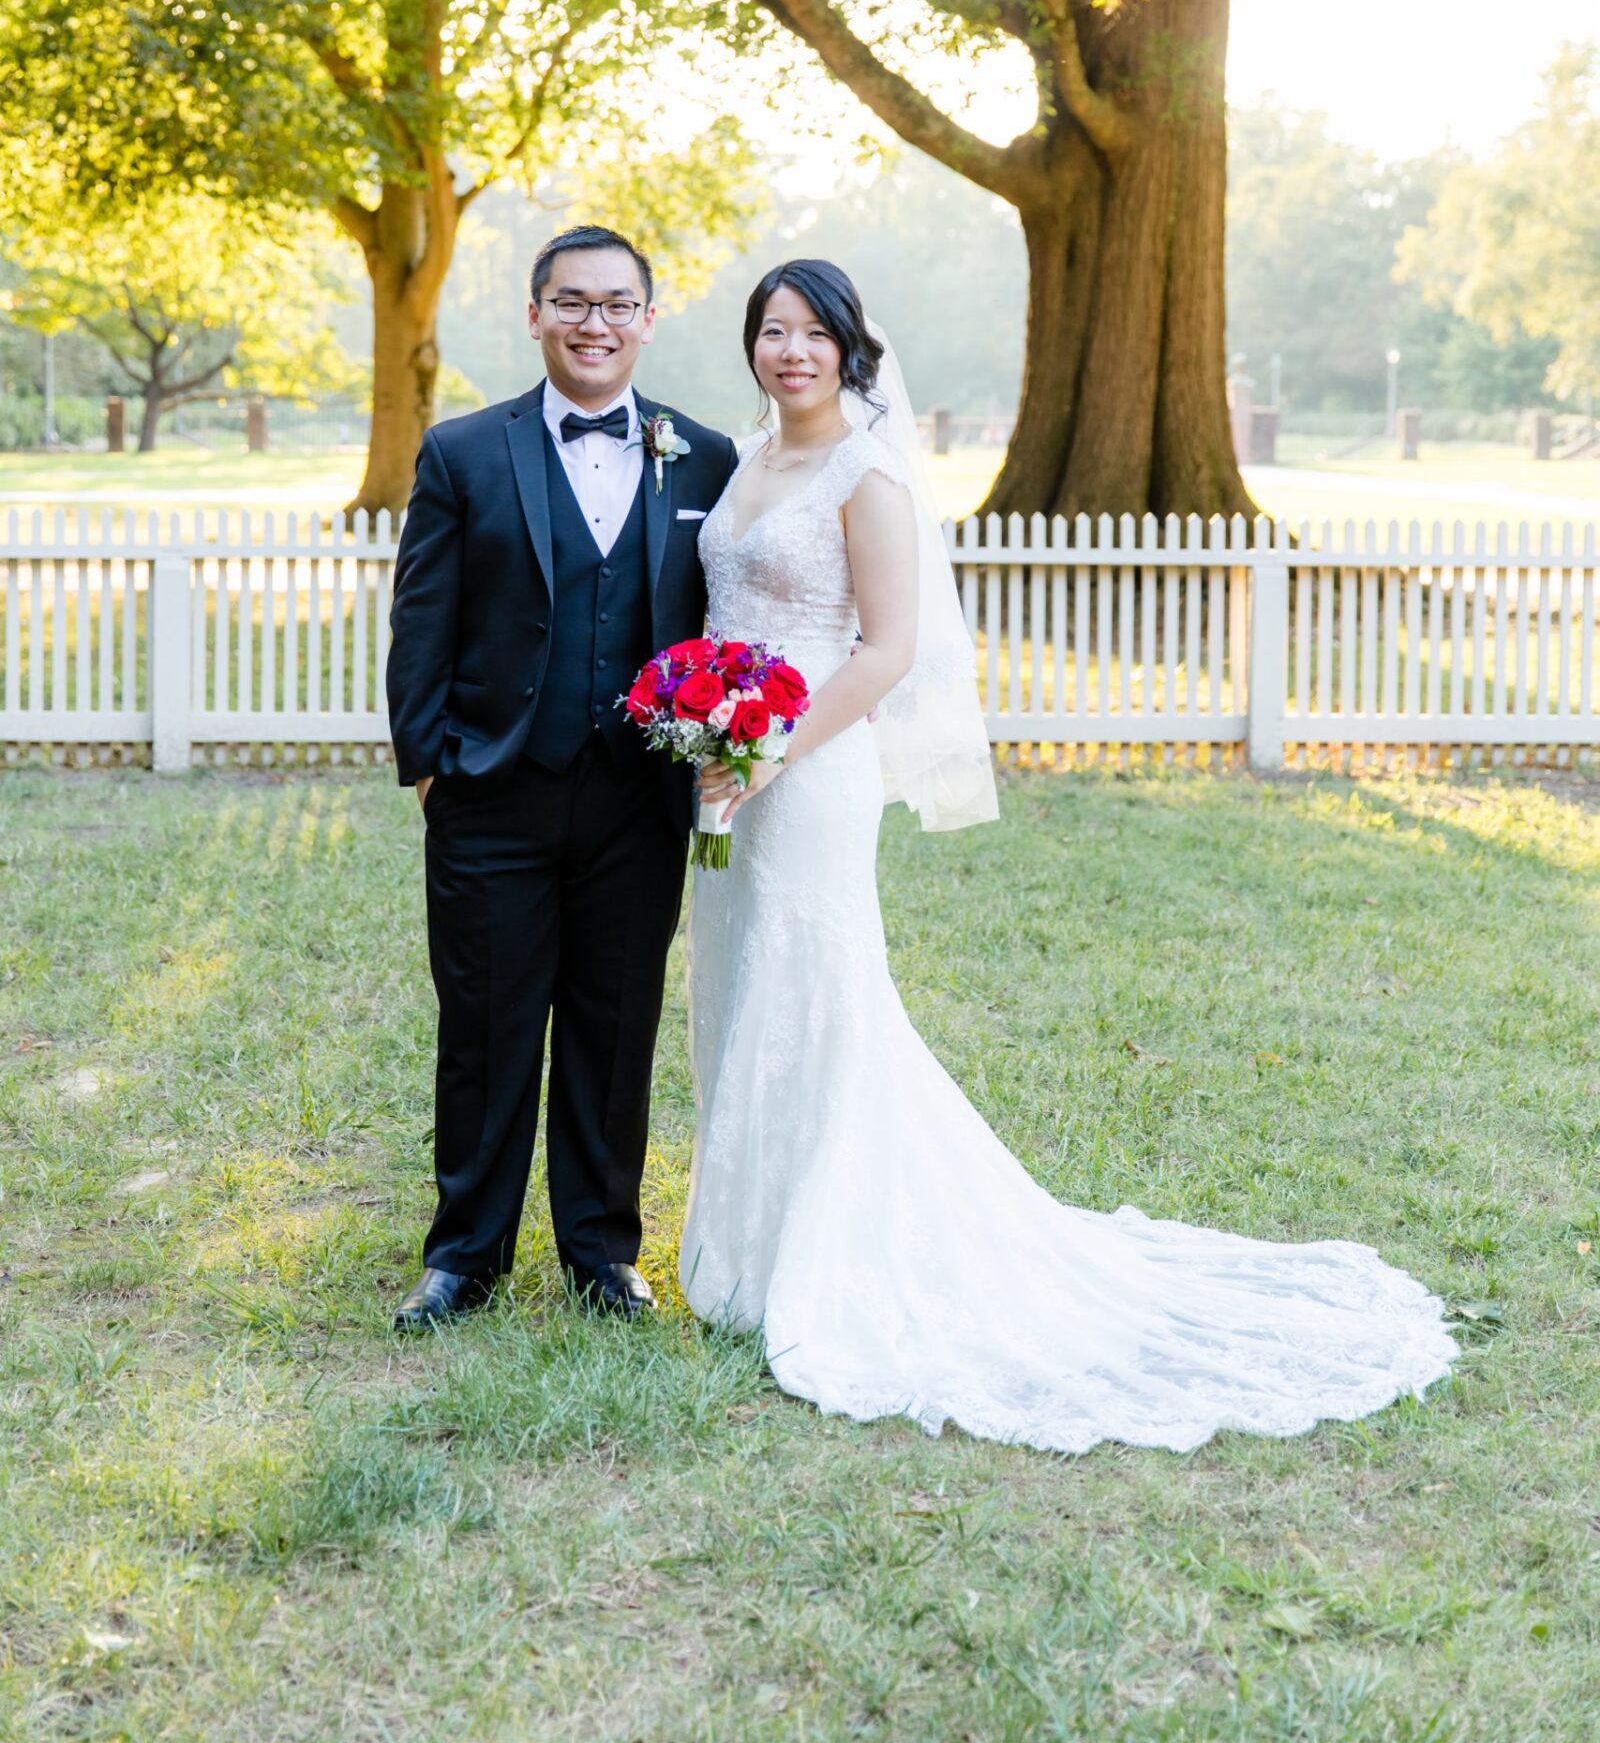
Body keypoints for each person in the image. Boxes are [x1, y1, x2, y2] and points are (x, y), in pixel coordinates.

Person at [683, 258, 1458, 1452]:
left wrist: (773, 748)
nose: (790, 351)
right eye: (772, 331)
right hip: (724, 768)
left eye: (812, 333)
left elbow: (884, 652)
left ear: (850, 347)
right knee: (737, 986)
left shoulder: (864, 473)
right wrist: (707, 732)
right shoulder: (746, 461)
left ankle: (836, 1251)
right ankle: (746, 1246)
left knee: (818, 989)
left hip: (809, 765)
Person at [386, 224, 739, 1332]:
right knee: (486, 1026)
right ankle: (464, 1255)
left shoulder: (707, 457)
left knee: (613, 1020)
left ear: (649, 316)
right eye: (572, 303)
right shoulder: (463, 453)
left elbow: (722, 623)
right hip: (492, 792)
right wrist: (434, 774)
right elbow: (421, 625)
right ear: (534, 315)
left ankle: (600, 1249)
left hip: (637, 799)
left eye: (617, 304)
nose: (596, 323)